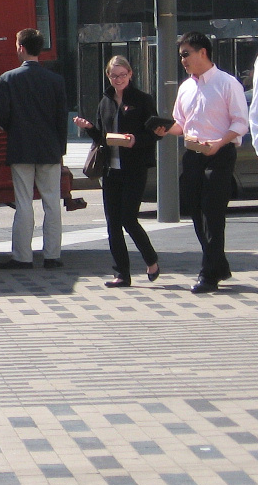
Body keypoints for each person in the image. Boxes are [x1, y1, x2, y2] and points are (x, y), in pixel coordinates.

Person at [153, 32, 248, 293]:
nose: (182, 60)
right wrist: (165, 128)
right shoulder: (186, 87)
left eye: (186, 54)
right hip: (192, 155)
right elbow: (181, 124)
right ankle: (219, 266)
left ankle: (208, 274)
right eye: (181, 55)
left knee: (212, 213)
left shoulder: (227, 83)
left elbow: (241, 123)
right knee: (195, 209)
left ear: (202, 52)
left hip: (220, 154)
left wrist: (218, 143)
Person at [74, 56, 162, 288]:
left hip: (134, 168)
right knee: (112, 222)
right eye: (114, 75)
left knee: (128, 218)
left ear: (131, 74)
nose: (118, 79)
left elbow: (155, 134)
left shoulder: (142, 100)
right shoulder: (105, 101)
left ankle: (151, 259)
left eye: (123, 75)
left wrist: (135, 140)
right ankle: (122, 273)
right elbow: (102, 137)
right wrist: (89, 128)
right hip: (111, 169)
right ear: (108, 76)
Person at [0, 28, 67, 270]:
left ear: (21, 48)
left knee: (24, 202)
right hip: (49, 148)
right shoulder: (56, 80)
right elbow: (61, 119)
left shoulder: (8, 79)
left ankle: (22, 256)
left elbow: (3, 117)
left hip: (21, 147)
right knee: (51, 202)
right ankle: (52, 255)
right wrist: (61, 150)